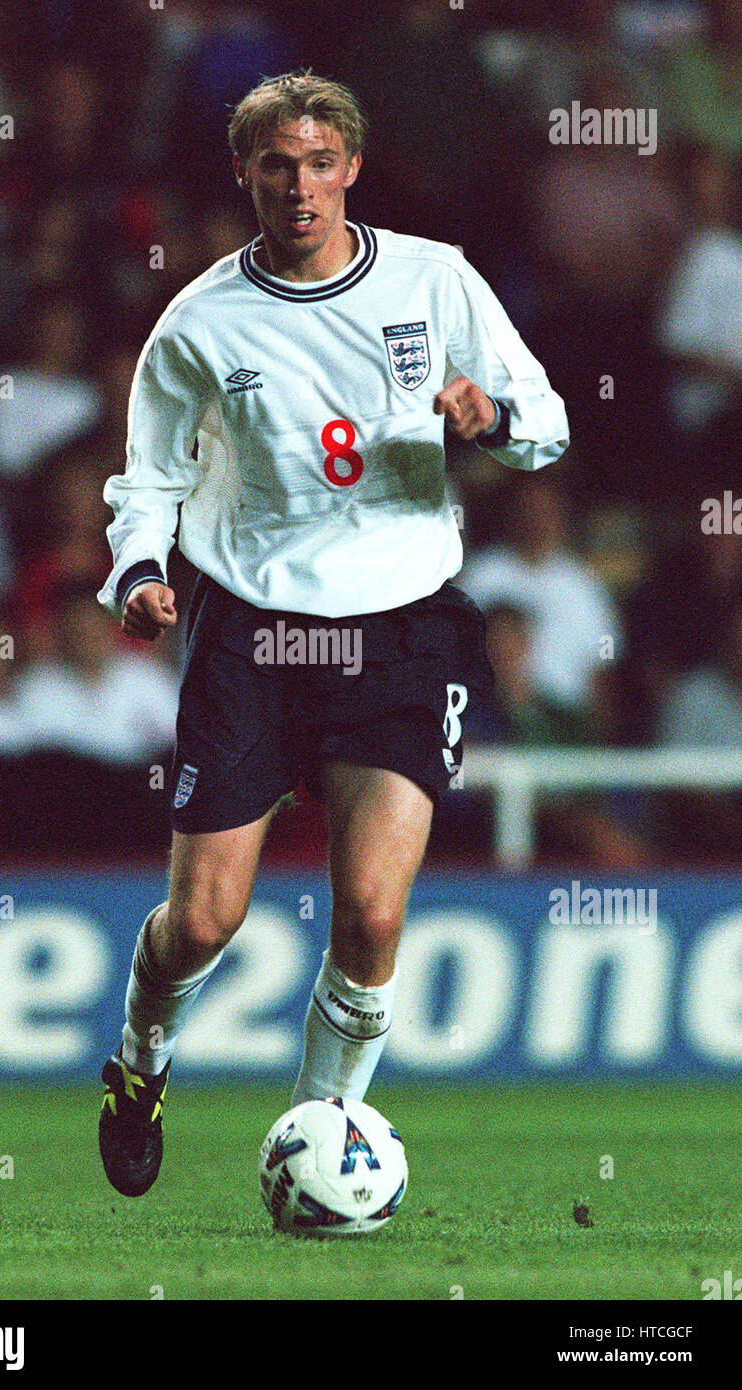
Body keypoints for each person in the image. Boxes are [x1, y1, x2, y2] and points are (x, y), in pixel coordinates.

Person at [95, 72, 569, 1198]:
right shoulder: (199, 321)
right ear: (244, 175)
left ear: (351, 167)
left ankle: (322, 1137)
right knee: (202, 921)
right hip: (252, 634)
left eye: (318, 163)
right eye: (276, 165)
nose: (299, 187)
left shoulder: (432, 280)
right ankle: (141, 1063)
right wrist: (138, 569)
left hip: (401, 630)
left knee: (370, 912)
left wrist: (490, 417)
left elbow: (545, 421)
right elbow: (148, 478)